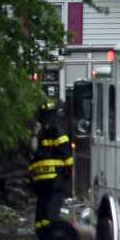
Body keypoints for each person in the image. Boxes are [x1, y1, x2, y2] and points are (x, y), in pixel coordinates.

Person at [27, 97, 72, 233]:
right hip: (54, 176)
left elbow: (32, 153)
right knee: (53, 204)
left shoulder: (38, 131)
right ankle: (49, 231)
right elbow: (65, 151)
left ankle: (40, 229)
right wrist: (68, 169)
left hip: (39, 176)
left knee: (42, 204)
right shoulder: (57, 128)